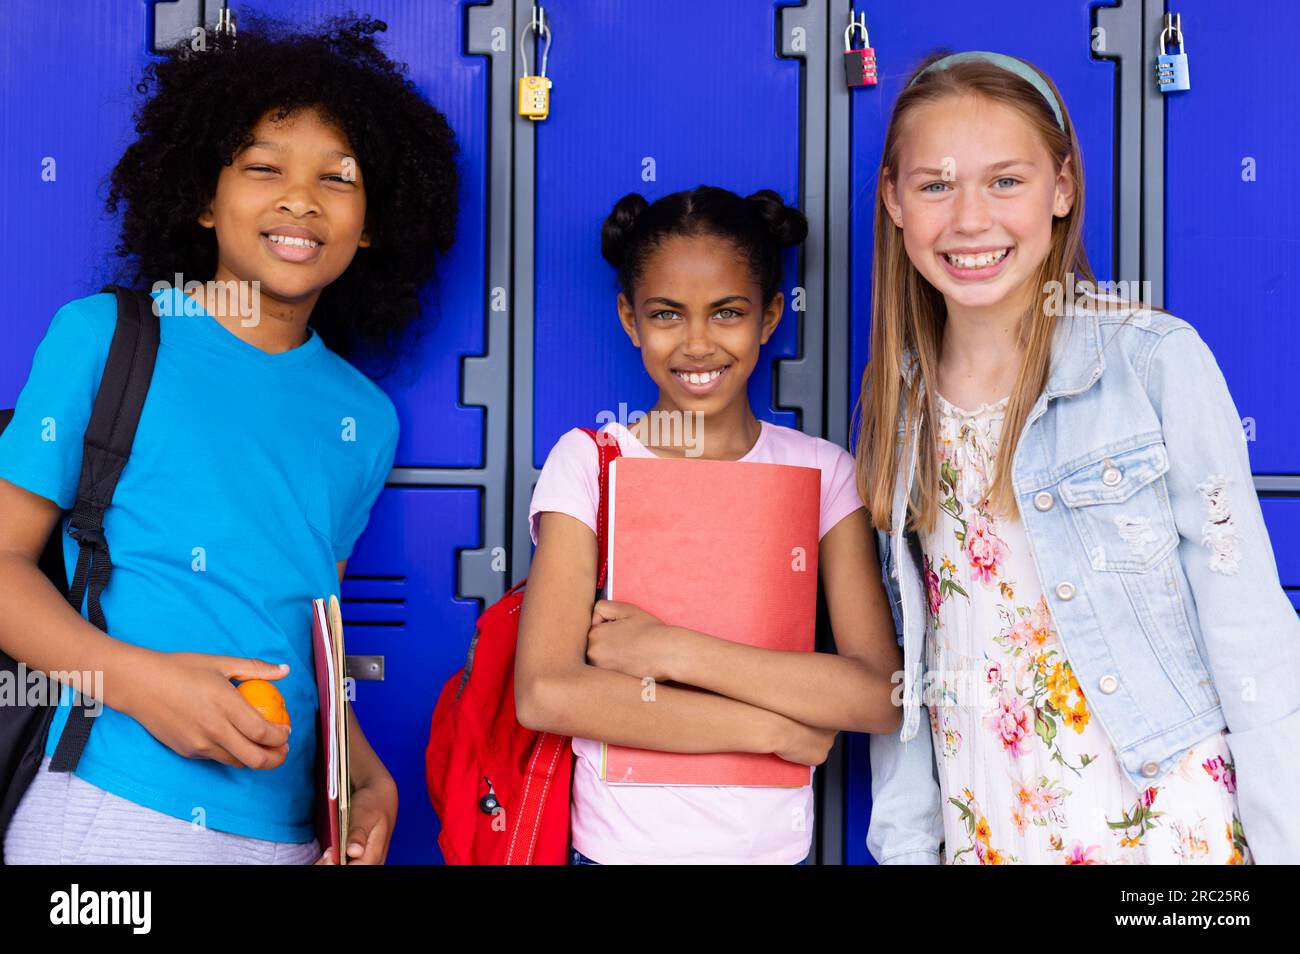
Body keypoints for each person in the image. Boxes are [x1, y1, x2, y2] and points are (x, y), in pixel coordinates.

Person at [0, 15, 459, 864]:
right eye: (263, 168)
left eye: (339, 177)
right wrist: (140, 683)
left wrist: (363, 779)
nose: (301, 199)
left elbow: (313, 637)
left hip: (287, 835)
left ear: (374, 223)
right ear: (205, 200)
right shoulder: (108, 337)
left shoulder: (365, 418)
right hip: (109, 812)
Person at [857, 50, 1300, 864]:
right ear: (893, 199)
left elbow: (1253, 638)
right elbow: (909, 676)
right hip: (988, 829)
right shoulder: (900, 401)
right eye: (934, 185)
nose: (969, 219)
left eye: (1006, 181)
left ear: (1062, 188)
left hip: (1161, 837)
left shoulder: (1154, 363)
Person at [516, 185, 903, 864]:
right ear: (630, 320)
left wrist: (669, 650)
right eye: (667, 315)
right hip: (615, 854)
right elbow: (547, 692)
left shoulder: (824, 472)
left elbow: (878, 695)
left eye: (727, 313)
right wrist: (775, 727)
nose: (697, 344)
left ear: (770, 316)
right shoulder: (591, 462)